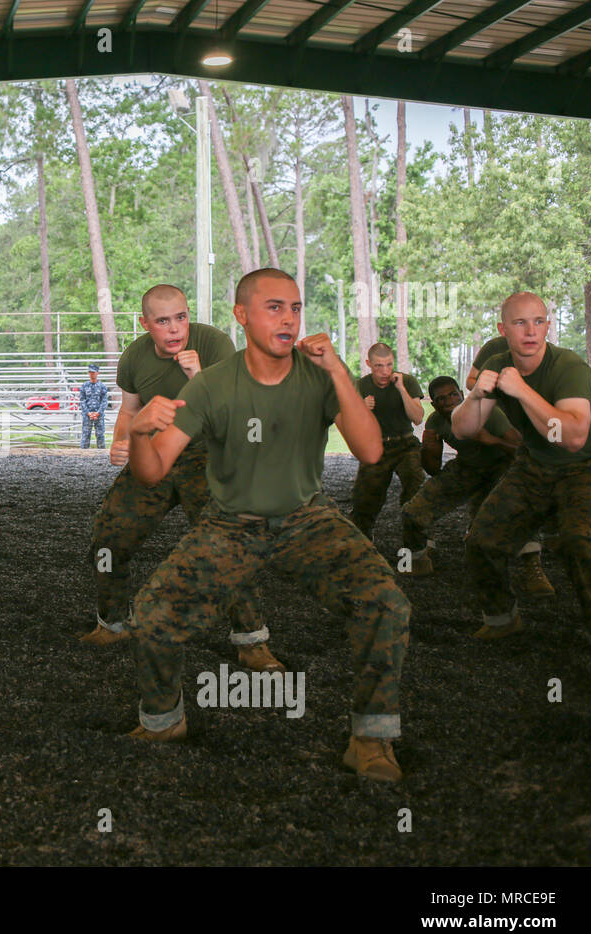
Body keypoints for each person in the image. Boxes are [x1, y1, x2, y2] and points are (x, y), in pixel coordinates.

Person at [124, 268, 410, 782]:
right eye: (274, 307)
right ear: (242, 315)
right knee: (151, 615)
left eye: (296, 307)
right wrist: (141, 432)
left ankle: (370, 740)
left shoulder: (320, 375)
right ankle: (164, 723)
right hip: (231, 524)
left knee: (386, 603)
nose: (289, 318)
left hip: (308, 518)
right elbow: (152, 471)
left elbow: (369, 450)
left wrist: (340, 372)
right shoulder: (212, 385)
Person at [81, 283, 280, 675]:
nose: (175, 329)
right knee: (108, 535)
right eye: (163, 321)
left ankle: (252, 641)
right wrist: (122, 441)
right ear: (145, 323)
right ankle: (112, 624)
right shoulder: (134, 356)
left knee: (227, 544)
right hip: (154, 454)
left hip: (209, 454)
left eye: (181, 318)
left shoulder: (215, 344)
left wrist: (199, 376)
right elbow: (128, 409)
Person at [454, 292, 591, 661]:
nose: (531, 331)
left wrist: (521, 391)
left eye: (538, 321)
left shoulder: (568, 366)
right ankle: (502, 618)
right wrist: (475, 396)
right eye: (520, 323)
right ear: (502, 329)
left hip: (585, 465)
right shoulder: (497, 363)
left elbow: (571, 438)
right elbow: (462, 430)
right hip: (534, 464)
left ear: (548, 326)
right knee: (481, 539)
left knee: (581, 543)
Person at [399, 375, 551, 593]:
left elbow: (522, 452)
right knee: (412, 512)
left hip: (502, 466)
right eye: (441, 399)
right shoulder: (436, 422)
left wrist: (492, 440)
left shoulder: (488, 413)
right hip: (467, 467)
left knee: (514, 511)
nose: (449, 401)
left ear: (462, 394)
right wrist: (428, 451)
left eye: (453, 395)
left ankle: (533, 568)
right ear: (434, 404)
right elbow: (433, 470)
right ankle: (418, 559)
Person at [349, 343, 426, 542]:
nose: (385, 372)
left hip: (405, 444)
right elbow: (350, 426)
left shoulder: (406, 381)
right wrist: (361, 408)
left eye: (389, 365)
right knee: (364, 498)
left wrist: (401, 389)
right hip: (377, 446)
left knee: (415, 485)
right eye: (378, 366)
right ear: (368, 364)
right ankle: (363, 543)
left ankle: (417, 543)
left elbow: (418, 418)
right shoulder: (360, 386)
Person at [78, 363, 108, 450]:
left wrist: (98, 413)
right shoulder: (84, 386)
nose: (92, 374)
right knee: (85, 436)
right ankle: (83, 456)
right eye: (90, 372)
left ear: (98, 373)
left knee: (100, 436)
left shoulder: (102, 386)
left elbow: (104, 401)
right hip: (87, 415)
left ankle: (101, 456)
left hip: (99, 415)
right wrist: (88, 413)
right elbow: (82, 400)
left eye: (94, 372)